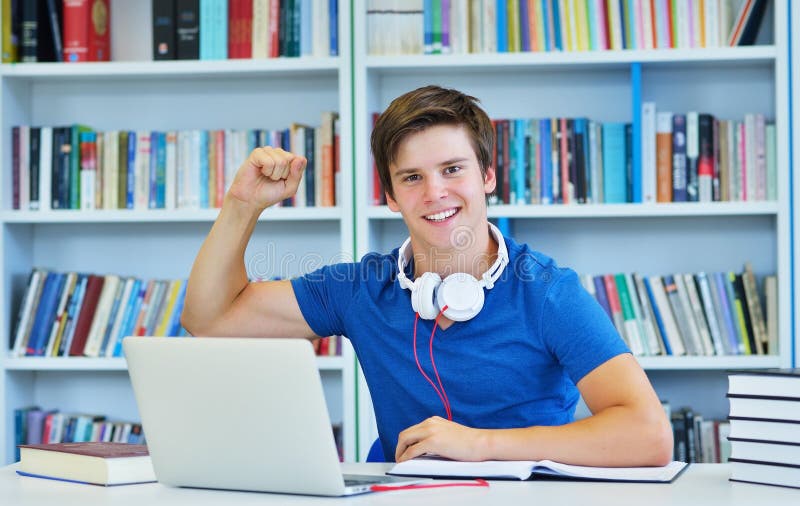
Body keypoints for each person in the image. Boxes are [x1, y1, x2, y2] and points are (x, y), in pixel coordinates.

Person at [181, 85, 673, 466]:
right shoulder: (358, 290)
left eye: (453, 169)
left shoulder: (546, 291)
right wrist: (242, 206)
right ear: (391, 197)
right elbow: (210, 317)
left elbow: (648, 434)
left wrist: (478, 444)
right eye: (412, 177)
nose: (434, 193)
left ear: (487, 177)